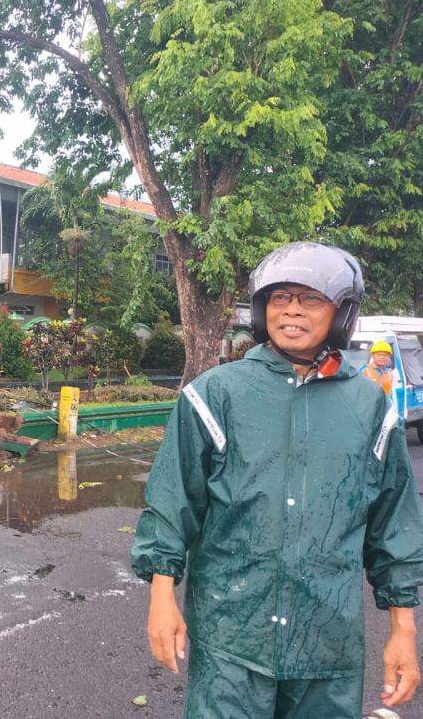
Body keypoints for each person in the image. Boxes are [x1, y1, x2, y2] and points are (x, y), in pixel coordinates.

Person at [131, 242, 423, 718]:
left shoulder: (370, 409)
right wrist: (161, 599)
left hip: (327, 650)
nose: (291, 310)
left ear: (341, 314)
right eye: (281, 296)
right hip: (231, 643)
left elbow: (394, 527)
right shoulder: (213, 396)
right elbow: (171, 504)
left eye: (311, 299)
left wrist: (403, 633)